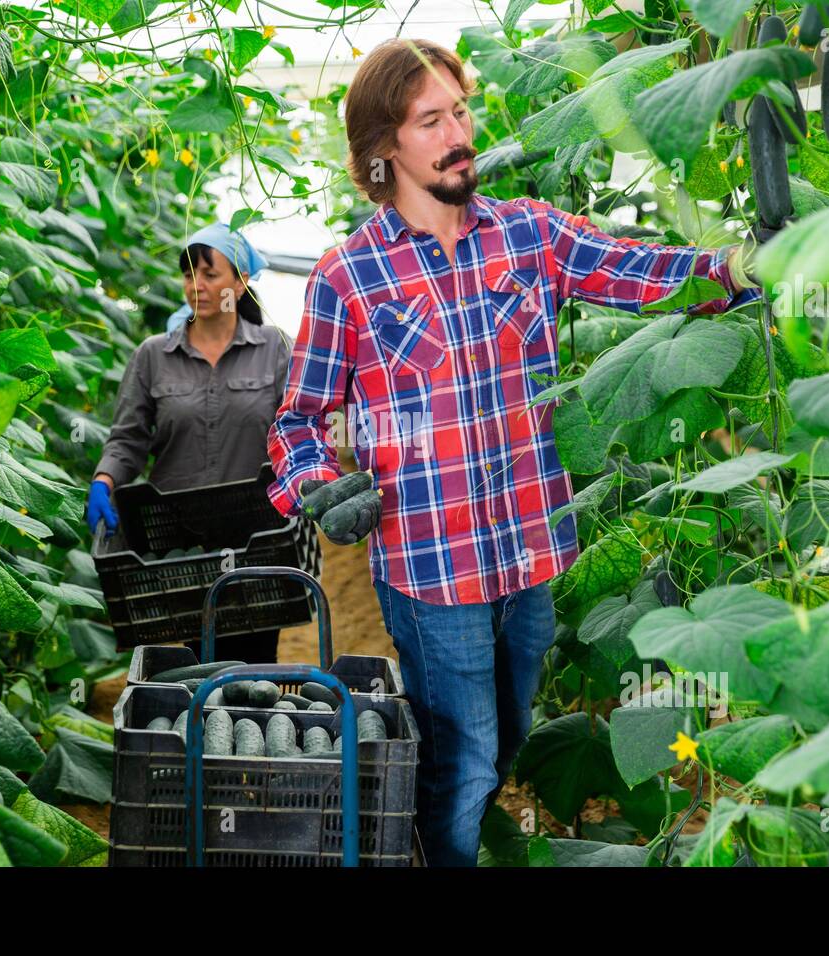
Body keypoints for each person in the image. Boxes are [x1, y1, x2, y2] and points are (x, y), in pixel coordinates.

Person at [265, 39, 763, 866]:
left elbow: (643, 271)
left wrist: (738, 271)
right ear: (386, 147)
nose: (459, 132)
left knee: (501, 749)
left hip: (533, 551)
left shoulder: (529, 233)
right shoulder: (347, 277)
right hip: (433, 570)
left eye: (461, 109)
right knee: (463, 767)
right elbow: (299, 422)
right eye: (432, 120)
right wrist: (321, 483)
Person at [89, 222, 291, 664]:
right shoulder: (153, 356)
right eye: (187, 274)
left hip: (257, 538)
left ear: (239, 284)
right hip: (178, 544)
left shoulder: (274, 350)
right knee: (195, 667)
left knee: (256, 667)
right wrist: (105, 481)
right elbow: (128, 438)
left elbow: (297, 429)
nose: (195, 285)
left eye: (209, 274)